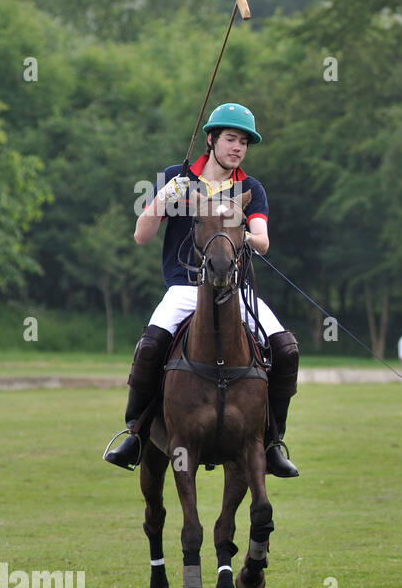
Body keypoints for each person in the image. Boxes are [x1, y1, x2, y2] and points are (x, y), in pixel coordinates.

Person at [103, 102, 300, 477]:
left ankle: (273, 441)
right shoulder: (177, 178)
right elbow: (141, 235)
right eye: (230, 138)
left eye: (243, 141)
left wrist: (240, 220)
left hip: (233, 291)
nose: (237, 147)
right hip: (184, 287)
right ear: (211, 140)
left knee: (286, 349)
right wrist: (165, 197)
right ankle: (137, 434)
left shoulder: (250, 189)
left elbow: (263, 242)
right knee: (149, 345)